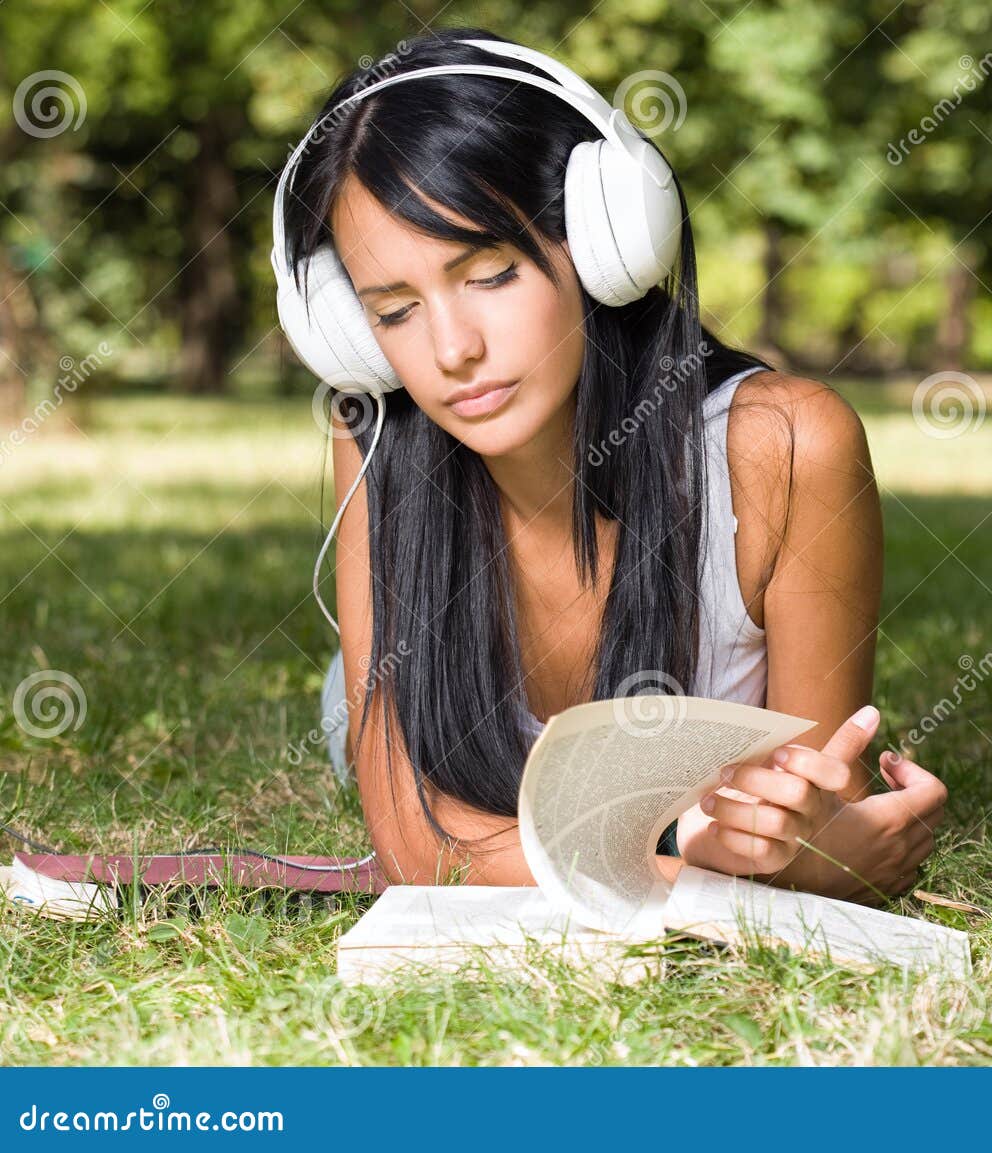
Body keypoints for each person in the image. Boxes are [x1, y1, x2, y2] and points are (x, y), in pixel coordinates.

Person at [280, 27, 946, 905]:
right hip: (406, 695)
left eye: (488, 274)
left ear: (603, 242)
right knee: (352, 707)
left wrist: (818, 834)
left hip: (555, 799)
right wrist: (702, 857)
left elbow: (807, 813)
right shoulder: (375, 433)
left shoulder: (789, 447)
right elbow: (418, 846)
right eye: (395, 310)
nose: (451, 350)